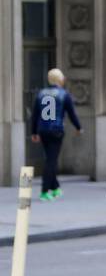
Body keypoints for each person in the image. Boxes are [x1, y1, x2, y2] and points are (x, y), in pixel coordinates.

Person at [28, 68, 81, 201]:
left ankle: (55, 187)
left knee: (50, 158)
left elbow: (34, 115)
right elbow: (72, 113)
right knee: (51, 161)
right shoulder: (64, 94)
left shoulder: (41, 94)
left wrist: (33, 132)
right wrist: (78, 127)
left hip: (43, 130)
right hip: (56, 130)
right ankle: (45, 191)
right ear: (60, 79)